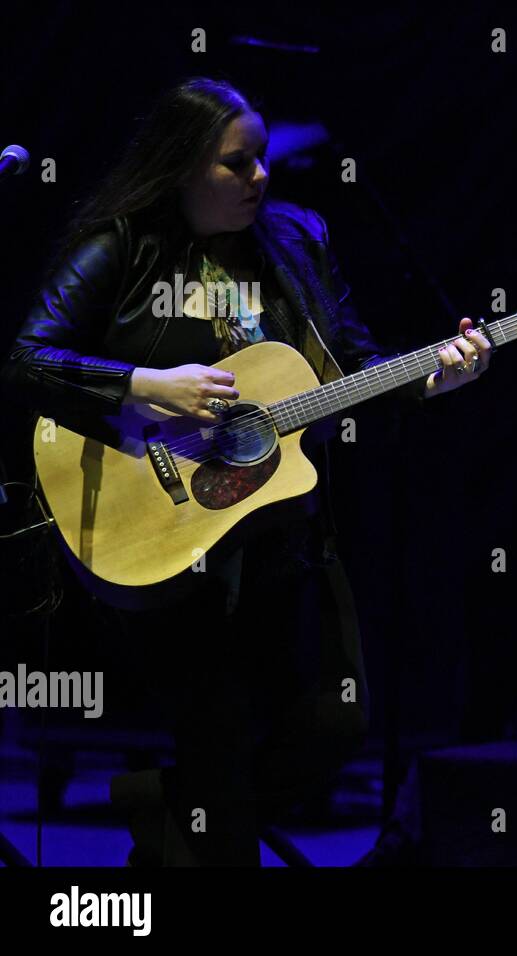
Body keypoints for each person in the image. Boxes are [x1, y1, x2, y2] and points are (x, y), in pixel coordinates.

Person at [2, 77, 490, 865]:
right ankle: (200, 817)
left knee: (336, 725)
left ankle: (164, 809)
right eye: (236, 165)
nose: (259, 178)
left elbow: (355, 366)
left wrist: (433, 378)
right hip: (171, 539)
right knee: (218, 747)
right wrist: (143, 386)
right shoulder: (125, 245)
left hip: (285, 538)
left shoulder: (297, 242)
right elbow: (25, 361)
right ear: (181, 170)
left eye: (262, 160)